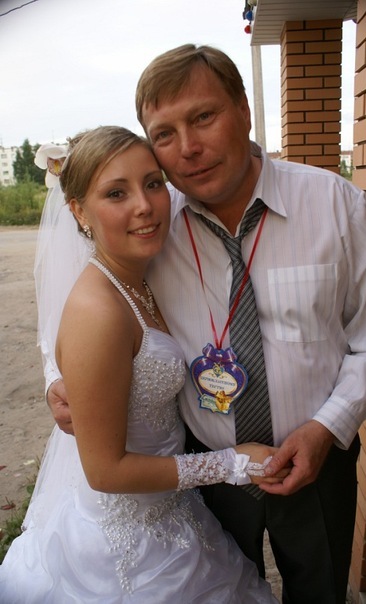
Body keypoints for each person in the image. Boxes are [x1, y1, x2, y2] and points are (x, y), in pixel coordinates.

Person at [45, 45, 366, 604]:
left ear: (244, 110)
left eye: (204, 117)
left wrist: (325, 428)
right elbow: (82, 300)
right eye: (165, 134)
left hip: (319, 463)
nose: (188, 147)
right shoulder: (152, 224)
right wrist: (57, 377)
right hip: (203, 475)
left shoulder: (335, 205)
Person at [0, 126, 282, 603]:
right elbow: (105, 472)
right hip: (123, 543)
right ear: (78, 211)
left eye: (153, 184)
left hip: (169, 510)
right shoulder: (99, 311)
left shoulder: (139, 277)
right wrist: (232, 463)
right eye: (116, 193)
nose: (145, 206)